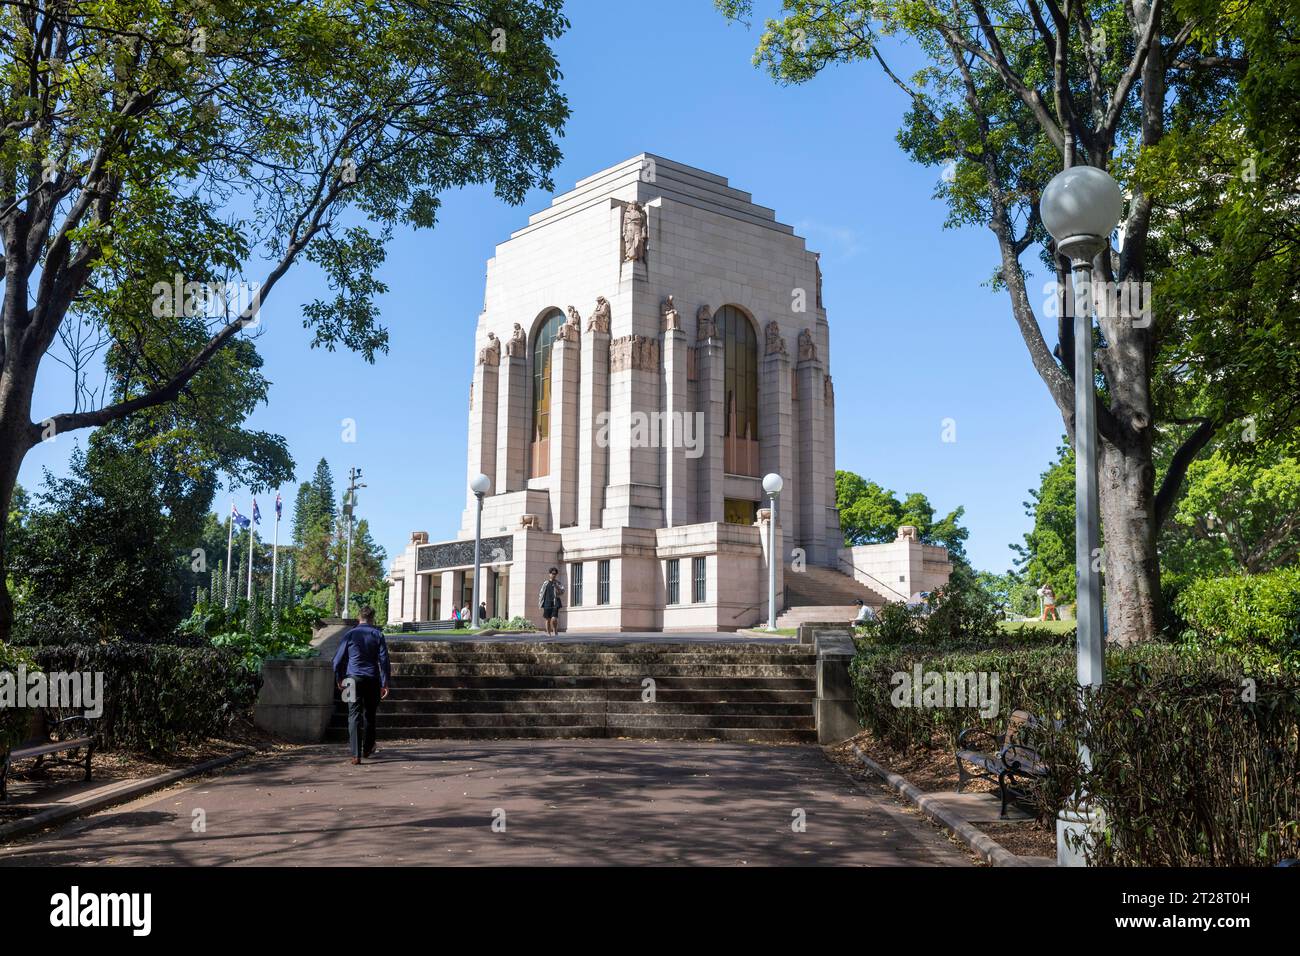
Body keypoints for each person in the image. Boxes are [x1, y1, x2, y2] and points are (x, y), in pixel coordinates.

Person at [331, 606, 391, 765]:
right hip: (372, 679)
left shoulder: (349, 634)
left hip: (351, 679)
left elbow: (337, 661)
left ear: (359, 618)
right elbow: (384, 661)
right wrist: (385, 682)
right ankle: (368, 748)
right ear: (373, 618)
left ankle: (355, 754)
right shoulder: (378, 634)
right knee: (370, 715)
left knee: (353, 714)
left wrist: (339, 678)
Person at [538, 566, 565, 636]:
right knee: (548, 619)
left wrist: (556, 586)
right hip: (547, 603)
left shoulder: (558, 583)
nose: (554, 575)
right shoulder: (545, 583)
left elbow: (562, 591)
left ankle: (555, 630)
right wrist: (541, 602)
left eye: (555, 574)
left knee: (554, 619)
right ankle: (548, 633)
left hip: (555, 602)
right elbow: (541, 593)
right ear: (549, 574)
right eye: (552, 573)